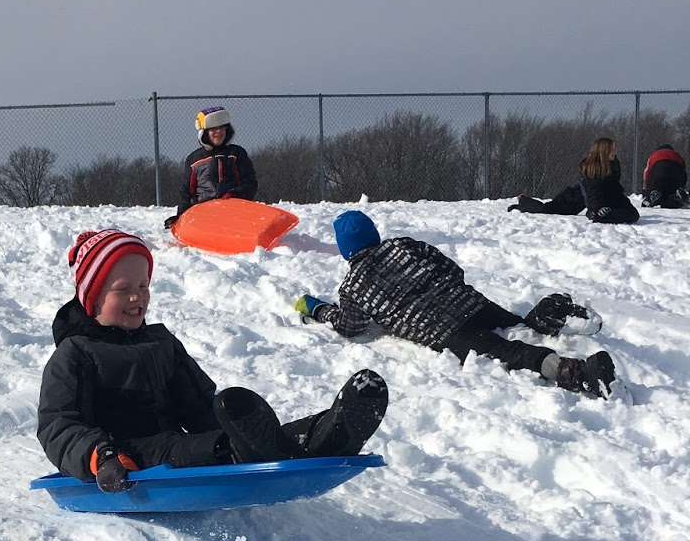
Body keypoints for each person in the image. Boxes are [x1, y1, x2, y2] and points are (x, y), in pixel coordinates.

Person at [37, 229, 388, 491]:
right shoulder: (75, 354)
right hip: (122, 458)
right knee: (178, 446)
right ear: (92, 297)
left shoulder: (160, 342)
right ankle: (238, 451)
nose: (136, 297)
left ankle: (324, 433)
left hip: (171, 447)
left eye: (143, 286)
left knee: (228, 431)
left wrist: (226, 423)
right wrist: (100, 455)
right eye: (122, 289)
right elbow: (59, 425)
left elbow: (198, 402)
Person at [294, 210, 619, 400]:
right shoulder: (403, 245)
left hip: (442, 329)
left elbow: (351, 326)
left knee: (508, 352)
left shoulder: (353, 286)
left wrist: (318, 309)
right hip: (469, 302)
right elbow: (451, 268)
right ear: (373, 233)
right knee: (516, 325)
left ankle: (574, 373)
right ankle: (550, 313)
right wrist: (449, 289)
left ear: (345, 250)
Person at [508, 136, 638, 224]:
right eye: (612, 149)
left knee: (633, 215)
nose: (615, 151)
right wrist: (598, 208)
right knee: (546, 209)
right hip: (576, 198)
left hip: (604, 198)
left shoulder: (614, 164)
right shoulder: (592, 170)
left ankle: (603, 215)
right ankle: (523, 201)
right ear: (604, 151)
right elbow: (592, 194)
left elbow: (613, 187)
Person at [164, 106, 258, 228]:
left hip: (234, 210)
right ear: (204, 132)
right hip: (204, 214)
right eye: (213, 128)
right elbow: (186, 192)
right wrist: (181, 215)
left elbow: (250, 183)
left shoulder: (236, 154)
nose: (219, 132)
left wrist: (234, 195)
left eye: (222, 127)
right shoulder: (194, 160)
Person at [641, 144, 688, 208]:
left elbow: (646, 174)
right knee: (671, 196)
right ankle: (677, 194)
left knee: (659, 190)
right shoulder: (677, 155)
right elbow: (683, 172)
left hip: (658, 175)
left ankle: (653, 193)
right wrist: (682, 186)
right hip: (676, 176)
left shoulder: (654, 155)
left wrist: (647, 190)